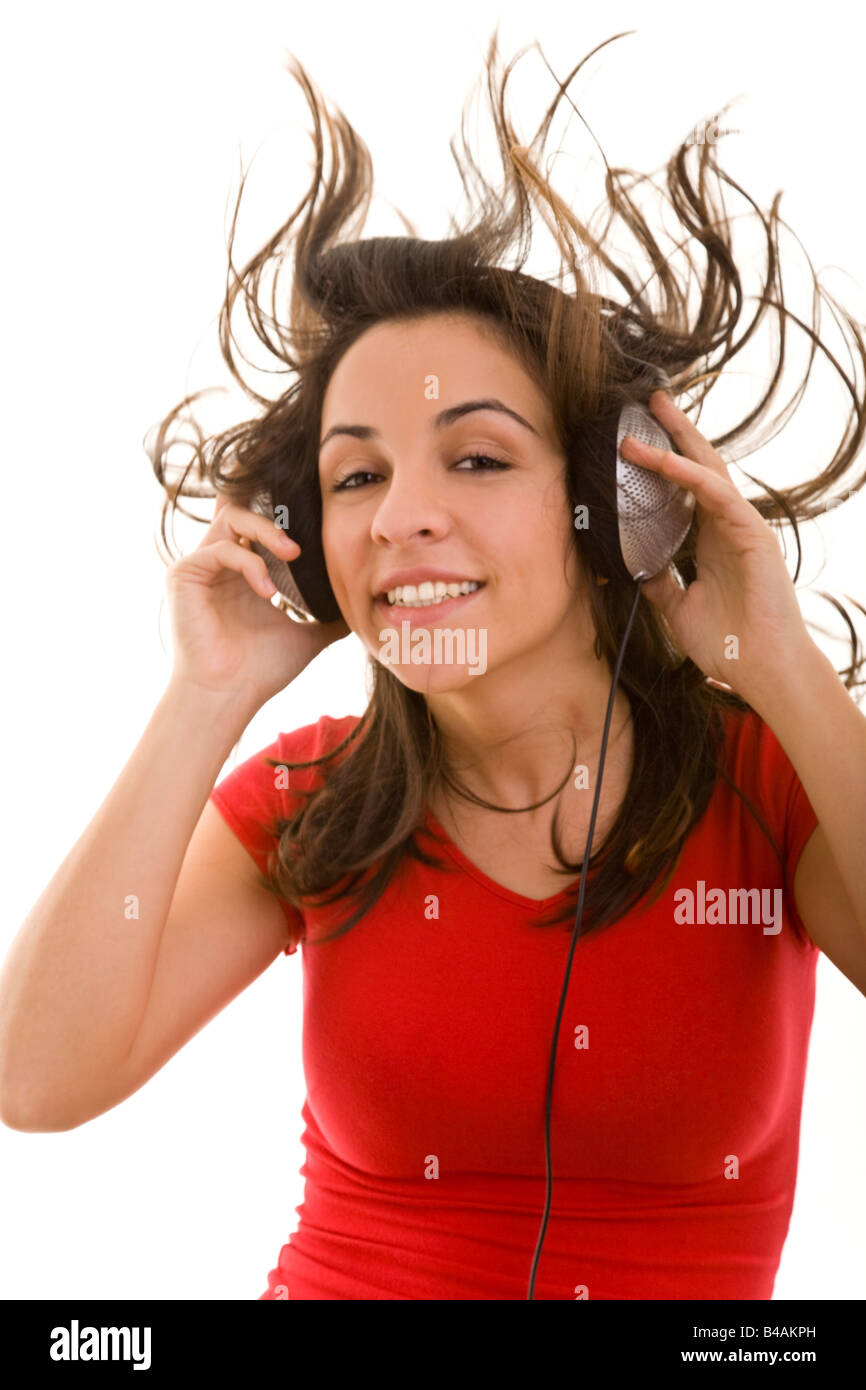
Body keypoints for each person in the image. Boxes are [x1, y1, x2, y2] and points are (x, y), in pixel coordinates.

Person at [1, 30, 865, 1301]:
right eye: (356, 476)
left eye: (474, 457)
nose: (398, 515)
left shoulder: (769, 779)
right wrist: (209, 694)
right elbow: (35, 1078)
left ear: (609, 505)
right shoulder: (311, 801)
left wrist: (776, 661)